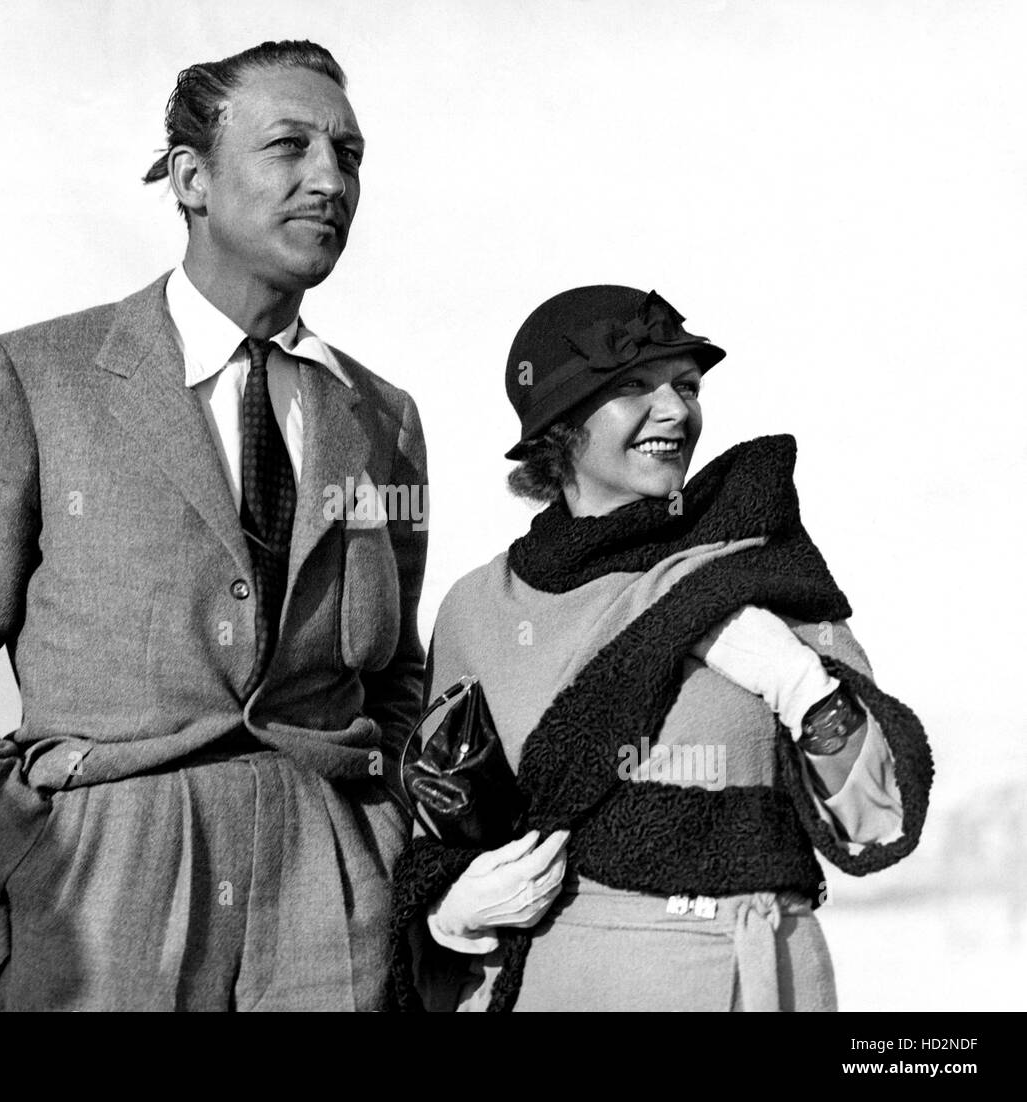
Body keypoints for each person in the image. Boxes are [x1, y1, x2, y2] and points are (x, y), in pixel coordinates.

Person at [0, 40, 427, 1011]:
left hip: (331, 905)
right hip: (98, 893)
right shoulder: (31, 380)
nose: (329, 180)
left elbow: (396, 679)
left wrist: (386, 842)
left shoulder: (381, 418)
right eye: (289, 146)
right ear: (191, 177)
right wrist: (18, 857)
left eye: (349, 154)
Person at [385, 285, 932, 1012]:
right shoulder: (481, 610)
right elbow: (439, 828)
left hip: (762, 973)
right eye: (635, 387)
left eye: (687, 385)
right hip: (570, 982)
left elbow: (881, 813)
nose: (675, 410)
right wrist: (450, 907)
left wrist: (800, 683)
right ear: (559, 423)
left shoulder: (754, 564)